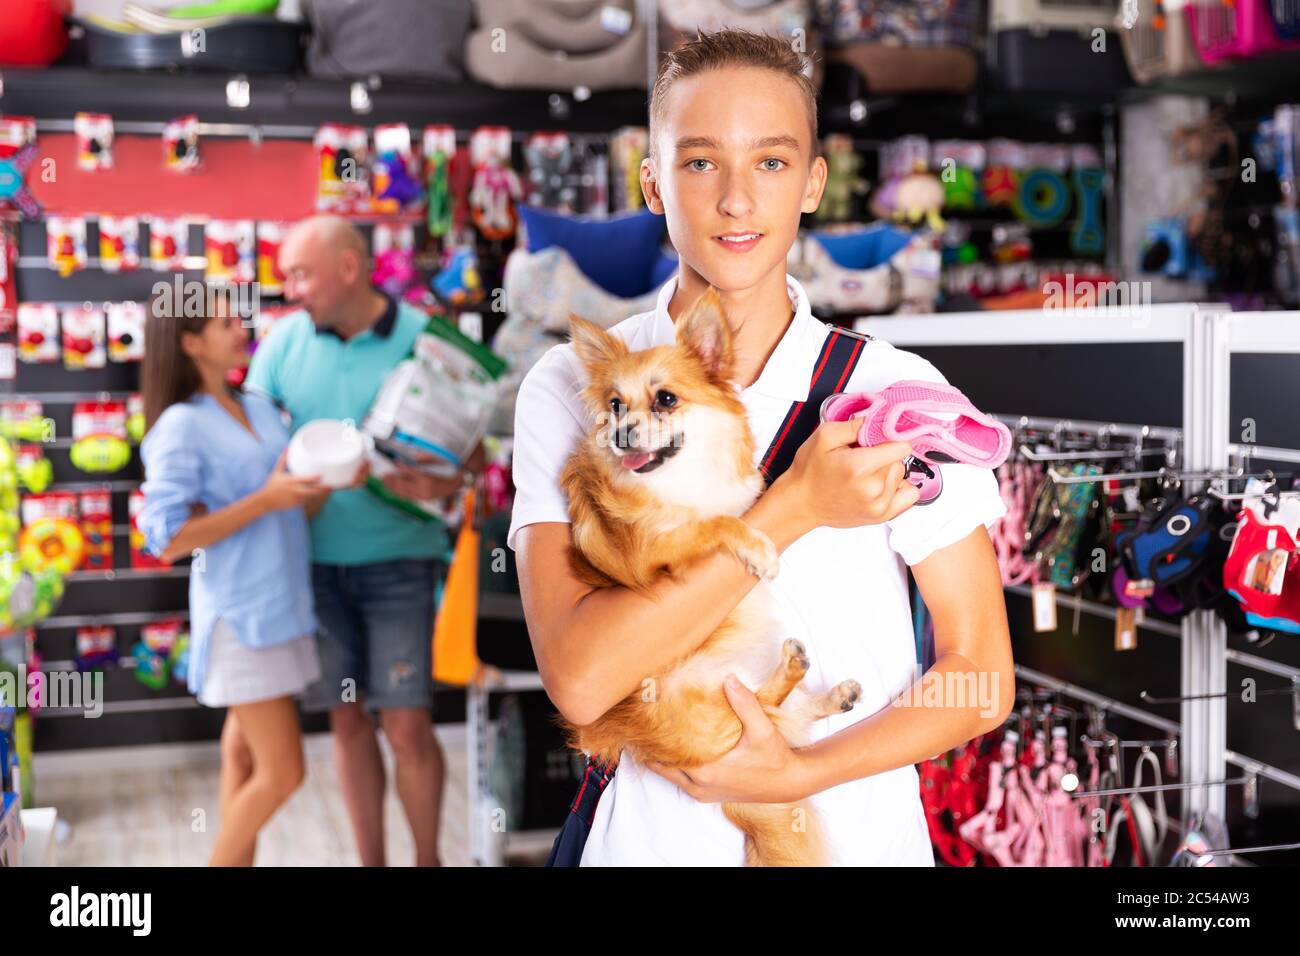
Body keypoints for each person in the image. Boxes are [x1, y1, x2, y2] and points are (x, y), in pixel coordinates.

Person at [508, 29, 1016, 866]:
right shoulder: (572, 386)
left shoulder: (894, 392)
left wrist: (800, 770)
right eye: (701, 162)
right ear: (653, 181)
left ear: (814, 182)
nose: (737, 200)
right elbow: (582, 678)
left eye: (772, 162)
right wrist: (795, 509)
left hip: (857, 842)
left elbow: (981, 676)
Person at [245, 215, 478, 867]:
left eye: (299, 272)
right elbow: (252, 449)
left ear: (348, 268)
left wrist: (440, 487)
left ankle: (427, 860)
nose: (289, 288)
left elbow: (469, 454)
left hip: (400, 561)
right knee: (347, 721)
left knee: (405, 722)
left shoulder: (425, 339)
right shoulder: (283, 343)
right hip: (313, 568)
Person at [139, 293, 325, 867]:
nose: (240, 327)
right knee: (284, 771)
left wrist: (314, 490)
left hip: (283, 604)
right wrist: (266, 500)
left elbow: (287, 506)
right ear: (190, 343)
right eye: (225, 322)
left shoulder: (260, 408)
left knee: (243, 756)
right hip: (242, 616)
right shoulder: (180, 426)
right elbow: (166, 538)